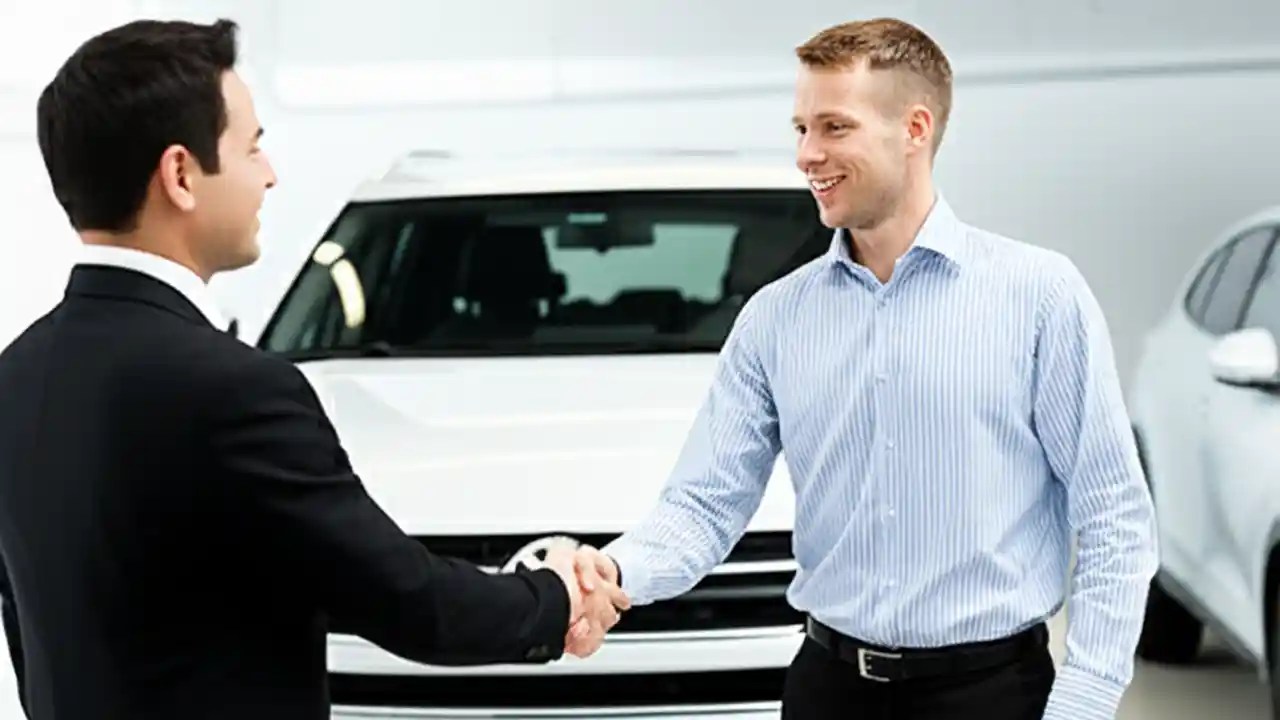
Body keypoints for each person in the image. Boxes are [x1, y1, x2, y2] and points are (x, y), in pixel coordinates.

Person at [0, 18, 627, 720]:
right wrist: (556, 598)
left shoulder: (16, 376)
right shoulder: (232, 387)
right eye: (253, 146)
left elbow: (29, 640)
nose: (270, 174)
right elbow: (406, 601)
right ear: (181, 175)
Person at [572, 16, 1158, 720]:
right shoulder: (775, 318)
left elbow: (1114, 515)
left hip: (991, 696)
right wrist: (615, 570)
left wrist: (1085, 701)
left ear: (914, 129)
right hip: (828, 690)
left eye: (833, 127)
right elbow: (705, 503)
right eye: (800, 129)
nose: (807, 155)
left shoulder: (1038, 296)